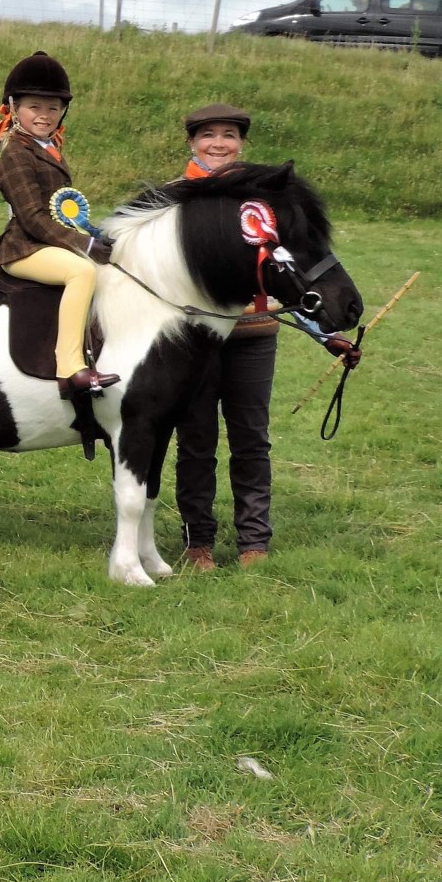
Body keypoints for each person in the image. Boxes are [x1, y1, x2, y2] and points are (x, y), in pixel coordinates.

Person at [172, 102, 277, 570]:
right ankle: (199, 543)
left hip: (255, 334)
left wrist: (326, 331)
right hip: (194, 339)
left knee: (251, 438)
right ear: (192, 142)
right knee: (196, 439)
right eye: (208, 134)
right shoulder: (173, 197)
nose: (219, 143)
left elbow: (289, 267)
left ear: (242, 143)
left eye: (229, 135)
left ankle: (254, 542)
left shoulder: (262, 199)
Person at [0, 51, 119, 396]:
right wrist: (85, 246)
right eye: (35, 107)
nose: (45, 116)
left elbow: (64, 210)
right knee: (82, 272)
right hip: (25, 247)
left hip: (50, 241)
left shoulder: (48, 148)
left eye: (53, 108)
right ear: (14, 108)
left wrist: (95, 233)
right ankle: (70, 368)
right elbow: (32, 217)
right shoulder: (15, 152)